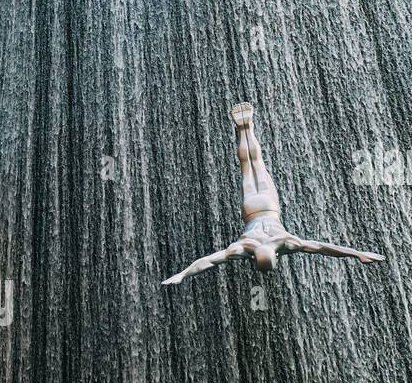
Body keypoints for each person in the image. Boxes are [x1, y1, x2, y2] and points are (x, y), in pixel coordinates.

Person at [163, 103, 385, 286]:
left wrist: (357, 254)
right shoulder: (243, 248)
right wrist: (182, 274)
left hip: (269, 206)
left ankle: (247, 128)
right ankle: (244, 130)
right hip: (250, 209)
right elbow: (208, 261)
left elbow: (322, 248)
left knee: (256, 164)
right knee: (247, 166)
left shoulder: (287, 242)